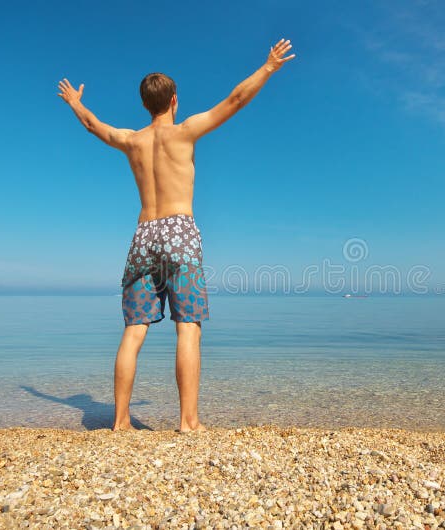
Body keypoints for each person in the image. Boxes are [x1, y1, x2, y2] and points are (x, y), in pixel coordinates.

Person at [57, 39, 296, 433]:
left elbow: (92, 125)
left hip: (143, 235)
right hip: (179, 232)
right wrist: (268, 67)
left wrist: (75, 103)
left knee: (134, 329)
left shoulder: (132, 140)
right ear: (174, 101)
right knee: (188, 326)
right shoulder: (185, 132)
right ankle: (188, 422)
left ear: (145, 104)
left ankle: (119, 422)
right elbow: (235, 100)